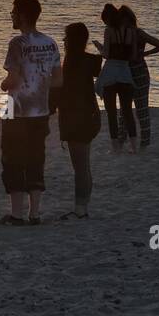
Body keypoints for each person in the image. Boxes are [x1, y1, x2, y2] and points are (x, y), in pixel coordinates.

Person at [0, 0, 62, 225]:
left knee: (12, 158)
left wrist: (3, 85)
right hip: (41, 109)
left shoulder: (17, 43)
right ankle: (34, 213)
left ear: (23, 16)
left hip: (15, 108)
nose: (11, 15)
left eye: (14, 11)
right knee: (36, 158)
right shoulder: (51, 43)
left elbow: (12, 79)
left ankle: (16, 214)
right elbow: (57, 80)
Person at [56, 22, 102, 220]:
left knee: (80, 167)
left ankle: (80, 209)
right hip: (90, 116)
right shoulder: (89, 60)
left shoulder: (72, 62)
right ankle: (84, 205)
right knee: (85, 165)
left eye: (66, 37)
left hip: (77, 119)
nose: (64, 41)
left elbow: (64, 93)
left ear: (72, 40)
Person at [94, 3, 138, 154]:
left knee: (111, 113)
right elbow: (132, 56)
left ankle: (115, 148)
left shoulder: (109, 31)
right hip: (125, 73)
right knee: (127, 112)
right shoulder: (131, 32)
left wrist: (99, 47)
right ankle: (134, 146)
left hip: (110, 74)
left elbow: (106, 54)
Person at [123, 6, 159, 149]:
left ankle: (144, 143)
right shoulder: (124, 33)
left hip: (139, 73)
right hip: (128, 73)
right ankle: (124, 140)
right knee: (126, 109)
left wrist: (145, 54)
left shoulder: (138, 33)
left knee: (141, 110)